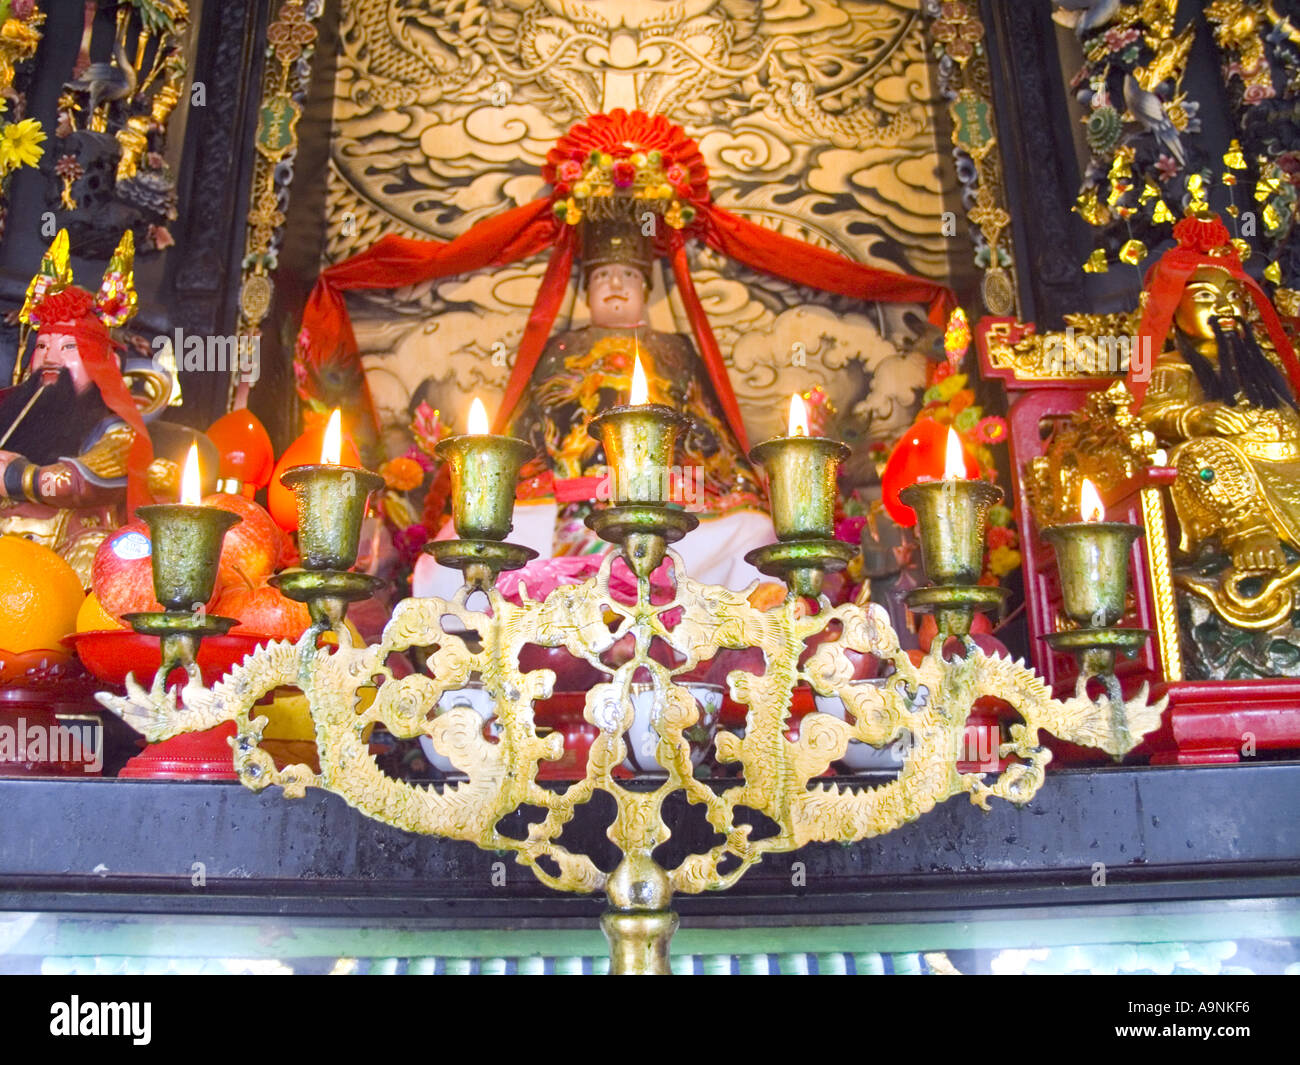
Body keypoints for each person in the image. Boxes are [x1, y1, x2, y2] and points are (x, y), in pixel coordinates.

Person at [416, 218, 777, 601]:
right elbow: (524, 433)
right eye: (604, 275)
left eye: (628, 275)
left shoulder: (678, 351)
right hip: (564, 497)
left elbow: (708, 431)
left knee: (752, 531)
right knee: (458, 542)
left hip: (666, 505)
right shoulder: (557, 350)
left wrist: (737, 491)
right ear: (587, 290)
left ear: (646, 287)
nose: (617, 285)